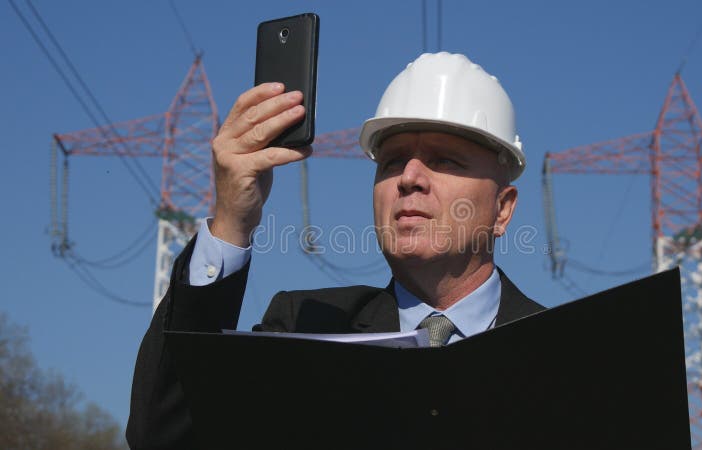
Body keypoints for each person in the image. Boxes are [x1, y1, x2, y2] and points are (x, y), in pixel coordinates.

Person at [126, 52, 546, 449]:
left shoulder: (563, 356)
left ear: (502, 210)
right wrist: (232, 223)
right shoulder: (301, 331)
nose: (409, 178)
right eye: (392, 161)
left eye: (446, 160)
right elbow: (165, 437)